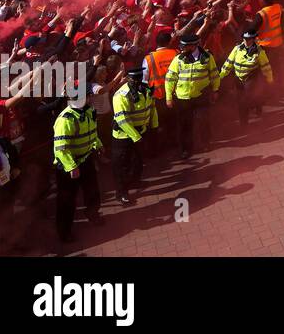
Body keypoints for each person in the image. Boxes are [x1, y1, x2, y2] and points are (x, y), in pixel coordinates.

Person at [52, 92, 103, 243]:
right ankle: (64, 232)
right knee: (67, 200)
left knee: (92, 191)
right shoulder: (65, 119)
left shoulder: (88, 111)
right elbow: (60, 148)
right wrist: (72, 167)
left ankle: (93, 214)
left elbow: (92, 132)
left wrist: (98, 144)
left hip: (85, 159)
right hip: (68, 166)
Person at [165, 32, 221, 159]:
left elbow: (214, 74)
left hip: (202, 95)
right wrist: (168, 97)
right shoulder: (178, 60)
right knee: (185, 125)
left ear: (193, 46)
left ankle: (205, 143)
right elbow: (170, 79)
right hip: (183, 98)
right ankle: (186, 149)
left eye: (184, 46)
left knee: (203, 120)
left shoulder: (207, 57)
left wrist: (215, 90)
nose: (182, 48)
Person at [109, 67, 156, 205]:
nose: (137, 82)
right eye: (134, 79)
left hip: (140, 132)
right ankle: (121, 193)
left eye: (139, 78)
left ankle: (135, 181)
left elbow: (152, 107)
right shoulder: (121, 95)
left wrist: (154, 124)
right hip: (123, 136)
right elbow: (122, 120)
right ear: (129, 79)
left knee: (138, 160)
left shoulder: (145, 90)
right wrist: (136, 137)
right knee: (122, 165)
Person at [220, 28, 274, 124]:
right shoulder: (237, 49)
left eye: (249, 39)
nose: (246, 41)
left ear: (253, 39)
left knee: (247, 99)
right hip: (238, 78)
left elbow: (266, 67)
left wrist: (270, 79)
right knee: (241, 100)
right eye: (244, 39)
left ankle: (257, 105)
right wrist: (221, 76)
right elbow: (229, 62)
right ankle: (243, 122)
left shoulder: (259, 51)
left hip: (250, 78)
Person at [256, 0, 284, 103]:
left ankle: (270, 94)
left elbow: (252, 29)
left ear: (264, 1)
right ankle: (280, 91)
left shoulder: (261, 14)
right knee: (277, 69)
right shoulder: (278, 7)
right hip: (277, 43)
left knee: (267, 71)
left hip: (266, 47)